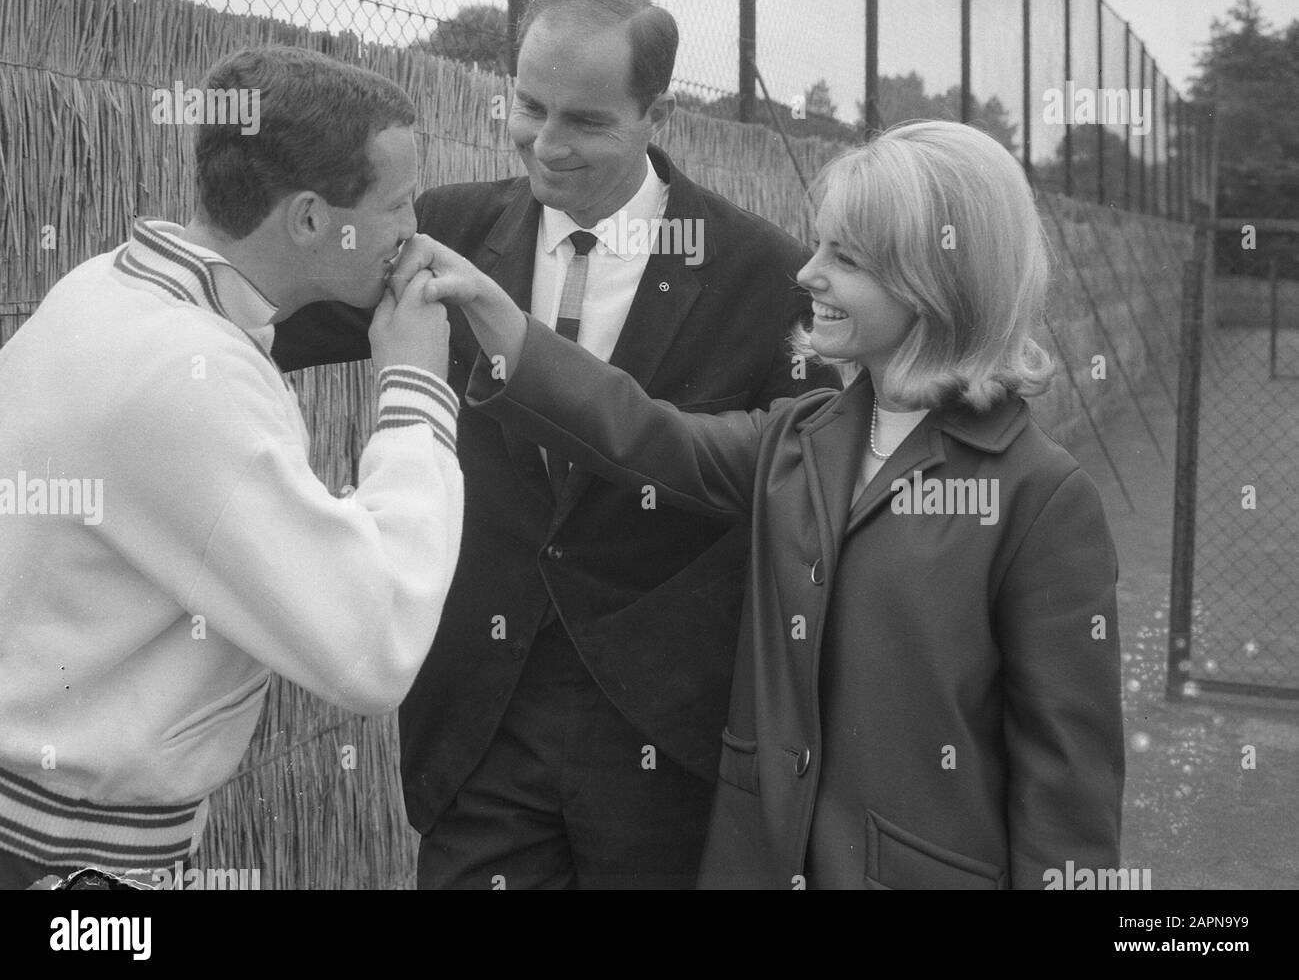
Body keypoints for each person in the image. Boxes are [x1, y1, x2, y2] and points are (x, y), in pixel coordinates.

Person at [399, 118, 1126, 889]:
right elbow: (639, 434)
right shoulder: (798, 438)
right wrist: (495, 314)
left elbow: (1068, 786)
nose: (807, 273)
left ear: (934, 281)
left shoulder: (1038, 499)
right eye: (818, 245)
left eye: (843, 258)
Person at [272, 0, 836, 889]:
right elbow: (265, 313)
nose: (548, 143)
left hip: (663, 741)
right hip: (479, 727)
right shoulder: (442, 231)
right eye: (530, 106)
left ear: (657, 115)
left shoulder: (764, 276)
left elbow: (790, 487)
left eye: (587, 121)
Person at [0, 45, 462, 890]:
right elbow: (371, 646)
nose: (412, 231)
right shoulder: (189, 377)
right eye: (397, 204)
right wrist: (414, 392)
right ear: (312, 218)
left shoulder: (105, 288)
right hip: (65, 868)